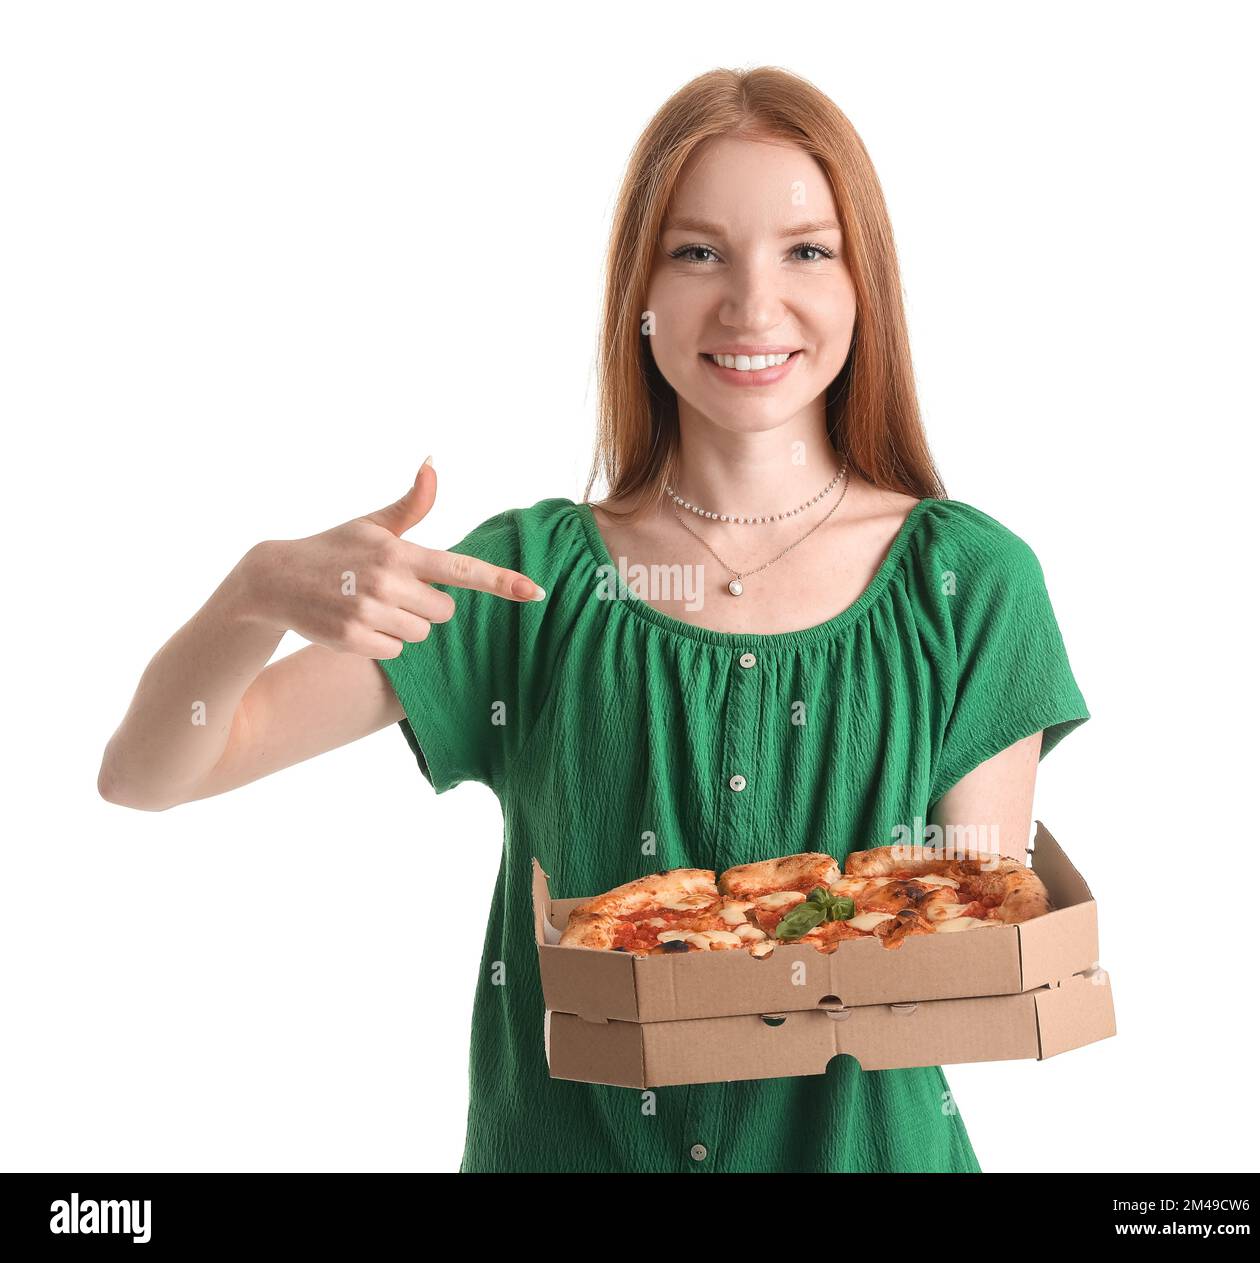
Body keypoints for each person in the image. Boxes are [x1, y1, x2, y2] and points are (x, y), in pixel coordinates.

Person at [98, 66, 1089, 1173]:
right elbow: (150, 774)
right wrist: (251, 594)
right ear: (640, 294)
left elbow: (966, 928)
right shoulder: (524, 581)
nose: (753, 306)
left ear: (867, 284)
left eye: (807, 250)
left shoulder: (969, 582)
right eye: (697, 251)